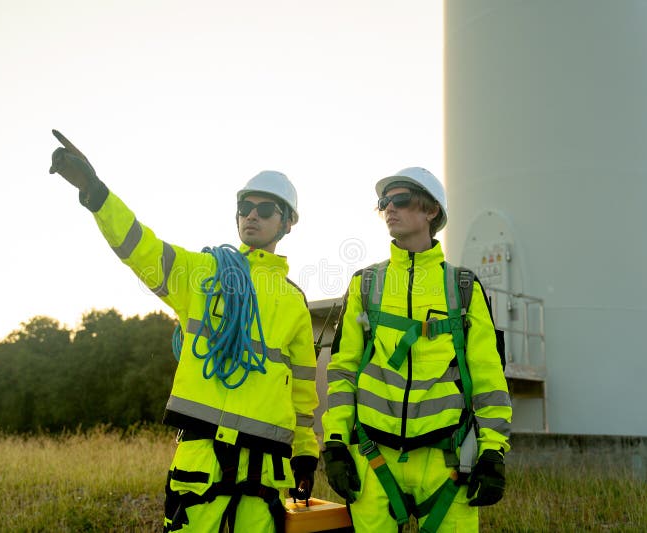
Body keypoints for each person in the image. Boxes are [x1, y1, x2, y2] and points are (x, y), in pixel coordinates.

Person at [48, 130, 319, 533]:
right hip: (202, 457)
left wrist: (305, 454)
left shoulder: (294, 302)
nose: (252, 214)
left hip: (267, 468)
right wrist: (96, 193)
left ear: (287, 224)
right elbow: (140, 247)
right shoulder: (201, 272)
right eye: (246, 206)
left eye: (266, 208)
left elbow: (301, 390)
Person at [321, 167, 511, 532]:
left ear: (431, 211)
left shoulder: (463, 288)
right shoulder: (366, 284)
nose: (389, 208)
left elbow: (489, 377)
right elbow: (343, 372)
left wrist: (492, 452)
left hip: (447, 464)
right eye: (383, 202)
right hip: (373, 459)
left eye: (401, 200)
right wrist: (334, 444)